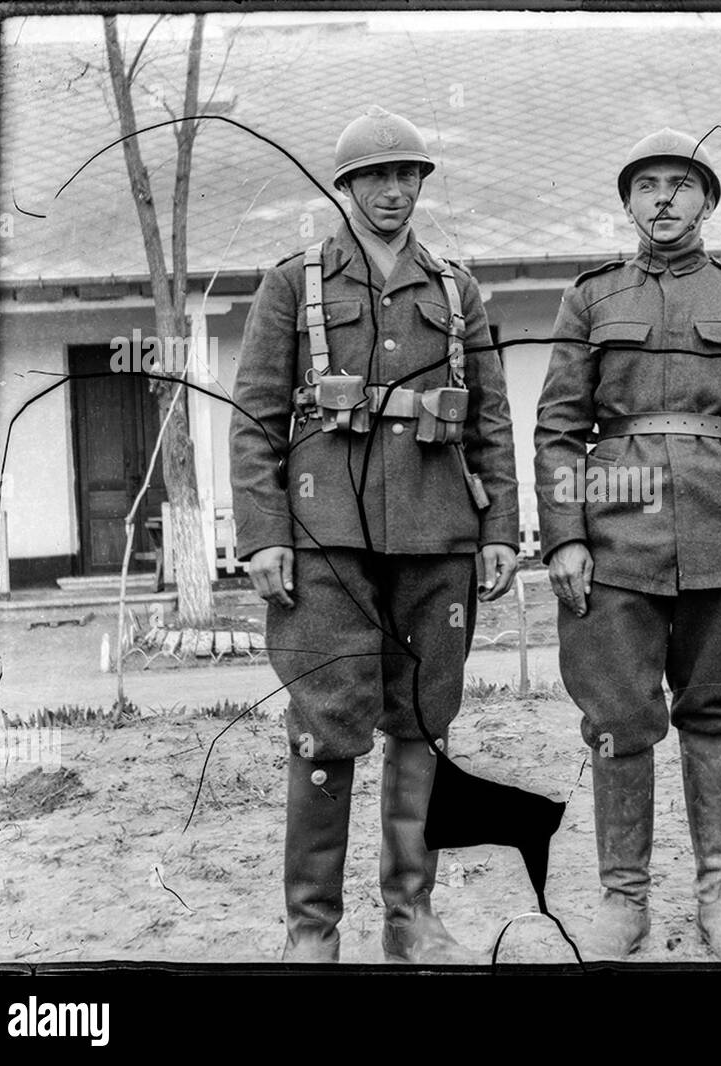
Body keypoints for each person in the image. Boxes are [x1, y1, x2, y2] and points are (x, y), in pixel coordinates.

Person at [229, 106, 519, 964]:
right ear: (345, 187)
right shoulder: (295, 283)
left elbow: (491, 420)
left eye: (408, 176)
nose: (392, 192)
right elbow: (254, 418)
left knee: (424, 725)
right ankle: (312, 932)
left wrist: (500, 527)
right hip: (326, 539)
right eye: (374, 178)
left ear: (421, 185)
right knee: (326, 726)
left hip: (436, 533)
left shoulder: (456, 287)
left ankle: (412, 920)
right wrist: (262, 535)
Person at [534, 129, 721, 961]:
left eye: (681, 185)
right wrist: (564, 537)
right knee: (619, 719)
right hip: (616, 534)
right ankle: (622, 897)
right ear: (627, 203)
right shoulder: (589, 297)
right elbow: (558, 429)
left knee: (714, 712)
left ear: (707, 201)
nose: (663, 199)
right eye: (647, 186)